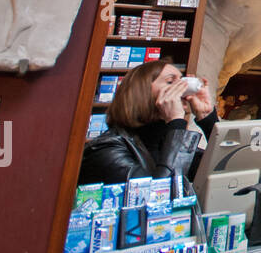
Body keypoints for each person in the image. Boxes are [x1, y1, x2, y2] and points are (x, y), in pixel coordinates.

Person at [79, 60, 216, 185]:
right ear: (141, 92)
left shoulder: (164, 144)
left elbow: (224, 170)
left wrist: (208, 119)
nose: (182, 88)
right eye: (170, 82)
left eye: (182, 81)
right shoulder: (108, 150)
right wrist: (176, 123)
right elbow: (158, 199)